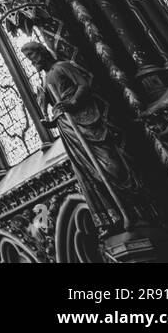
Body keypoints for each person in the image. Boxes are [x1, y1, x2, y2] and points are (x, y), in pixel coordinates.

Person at [21, 40, 153, 232]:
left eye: (31, 55)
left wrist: (73, 102)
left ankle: (137, 209)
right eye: (28, 58)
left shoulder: (61, 67)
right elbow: (56, 107)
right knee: (88, 173)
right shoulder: (46, 79)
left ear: (41, 52)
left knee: (110, 163)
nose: (31, 61)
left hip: (84, 121)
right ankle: (113, 216)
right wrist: (49, 118)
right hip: (69, 130)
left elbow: (84, 84)